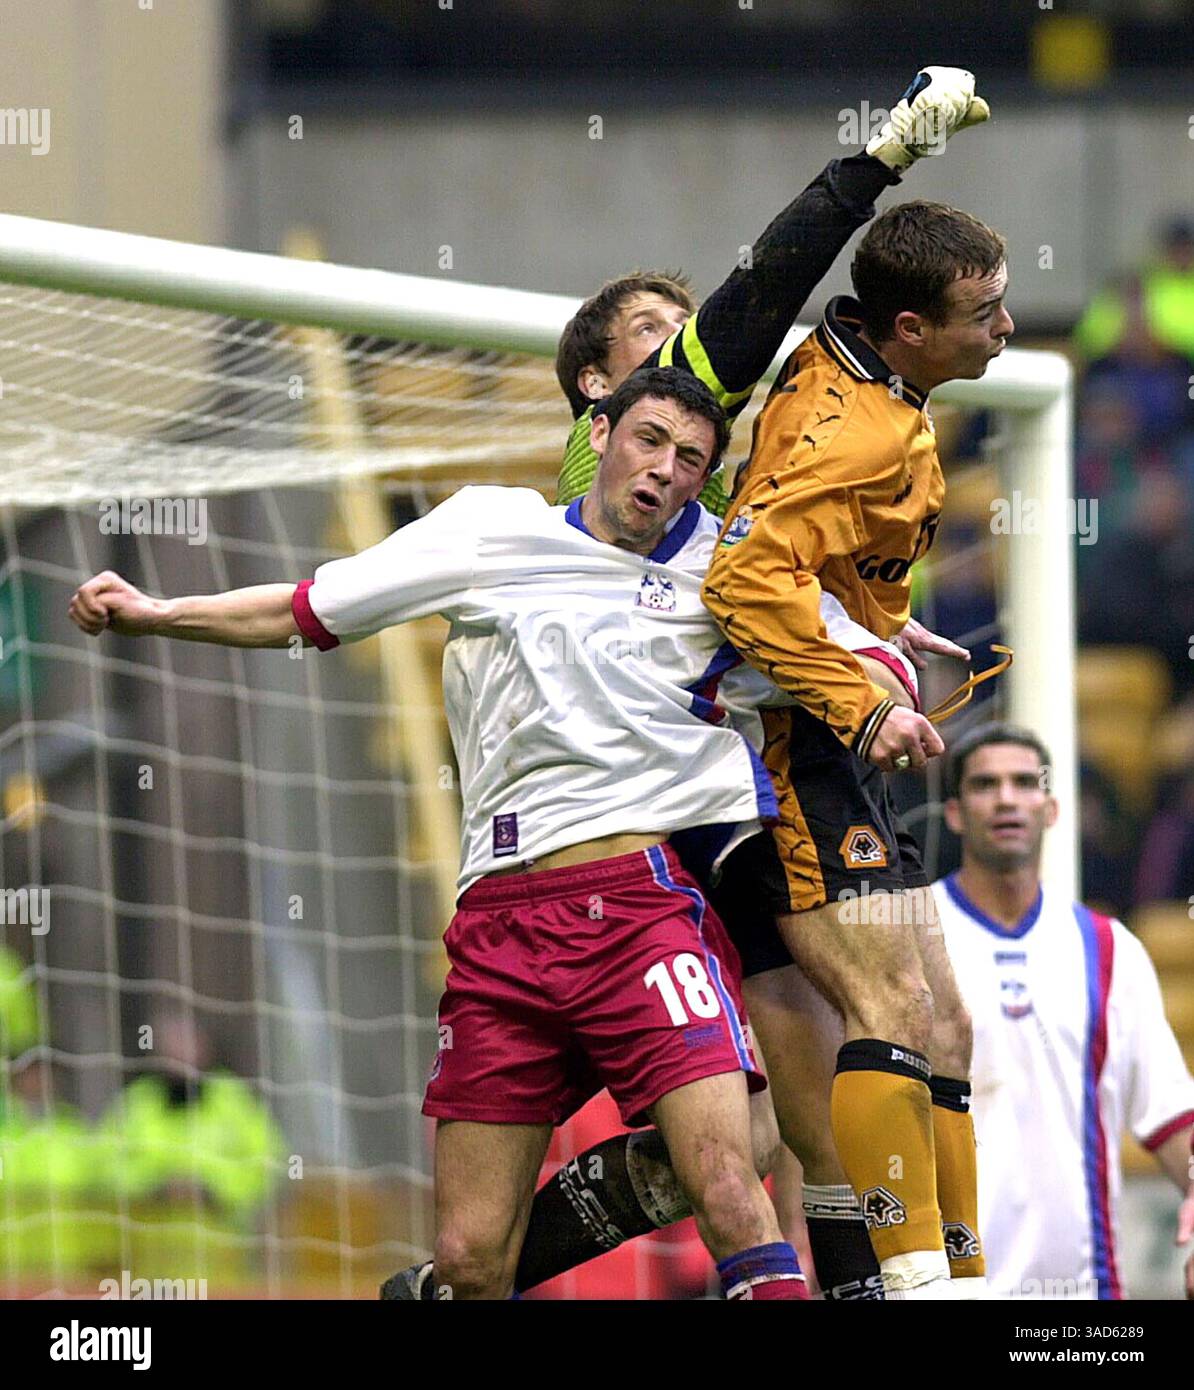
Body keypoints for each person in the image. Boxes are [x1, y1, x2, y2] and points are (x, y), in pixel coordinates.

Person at [70, 368, 810, 1301]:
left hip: (639, 911)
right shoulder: (490, 529)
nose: (664, 469)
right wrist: (158, 614)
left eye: (691, 459)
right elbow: (309, 609)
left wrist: (892, 683)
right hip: (499, 923)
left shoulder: (725, 569)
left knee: (730, 1183)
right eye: (649, 439)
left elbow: (835, 652)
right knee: (466, 1264)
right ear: (600, 433)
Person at [698, 198, 1015, 1299]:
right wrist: (865, 703)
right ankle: (913, 1280)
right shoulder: (858, 430)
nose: (1006, 327)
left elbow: (811, 549)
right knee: (890, 1015)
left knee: (945, 1025)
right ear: (911, 329)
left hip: (838, 724)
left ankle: (958, 1276)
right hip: (796, 740)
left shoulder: (860, 368)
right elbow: (743, 579)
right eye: (984, 311)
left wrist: (879, 626)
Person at [935, 723, 1194, 1300]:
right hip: (938, 1288)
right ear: (954, 813)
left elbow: (1172, 1114)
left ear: (1051, 809)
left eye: (1024, 783)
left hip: (1082, 1295)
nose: (1006, 798)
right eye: (985, 785)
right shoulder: (912, 937)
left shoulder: (1108, 948)